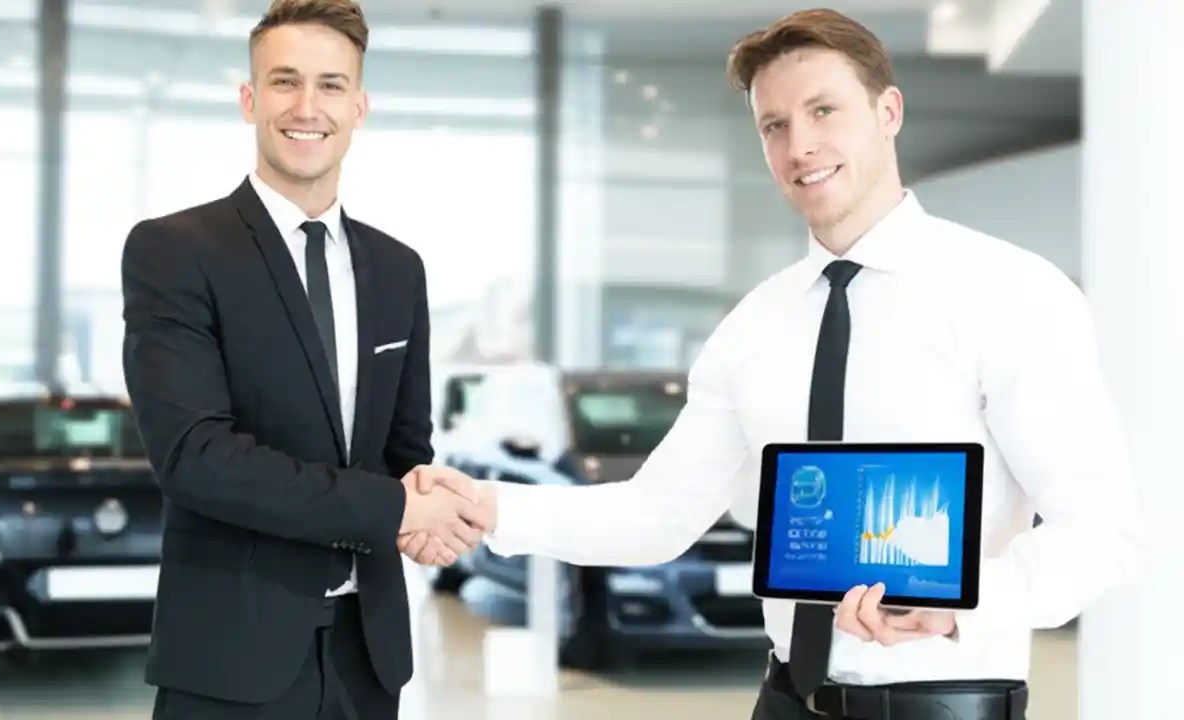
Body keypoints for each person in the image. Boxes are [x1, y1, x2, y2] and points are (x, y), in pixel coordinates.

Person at [401, 8, 1142, 720]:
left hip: (942, 703)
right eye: (774, 125)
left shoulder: (1009, 292)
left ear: (888, 112)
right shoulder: (753, 325)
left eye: (824, 111)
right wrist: (486, 506)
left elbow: (1102, 529)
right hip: (787, 699)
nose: (800, 146)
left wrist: (961, 603)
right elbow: (657, 514)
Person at [120, 1, 487, 717]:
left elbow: (403, 447)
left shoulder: (396, 268)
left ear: (359, 105)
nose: (307, 107)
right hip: (231, 657)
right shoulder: (176, 252)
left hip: (367, 656)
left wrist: (426, 504)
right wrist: (395, 508)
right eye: (285, 82)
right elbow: (197, 457)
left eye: (330, 85)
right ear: (250, 100)